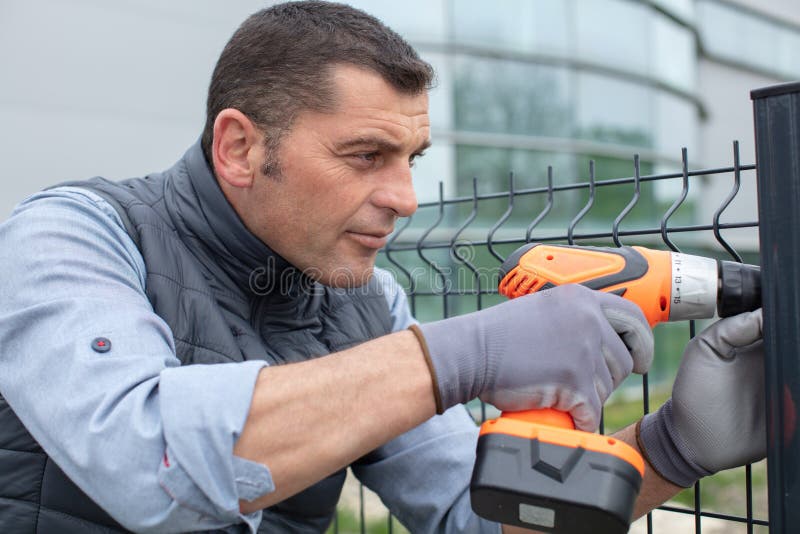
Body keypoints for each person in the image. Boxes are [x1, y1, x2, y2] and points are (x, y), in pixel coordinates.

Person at [0, 2, 765, 533]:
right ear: (239, 147)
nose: (403, 197)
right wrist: (462, 354)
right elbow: (143, 460)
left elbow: (477, 515)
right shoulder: (72, 235)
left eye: (411, 159)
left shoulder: (370, 303)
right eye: (364, 155)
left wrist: (666, 448)